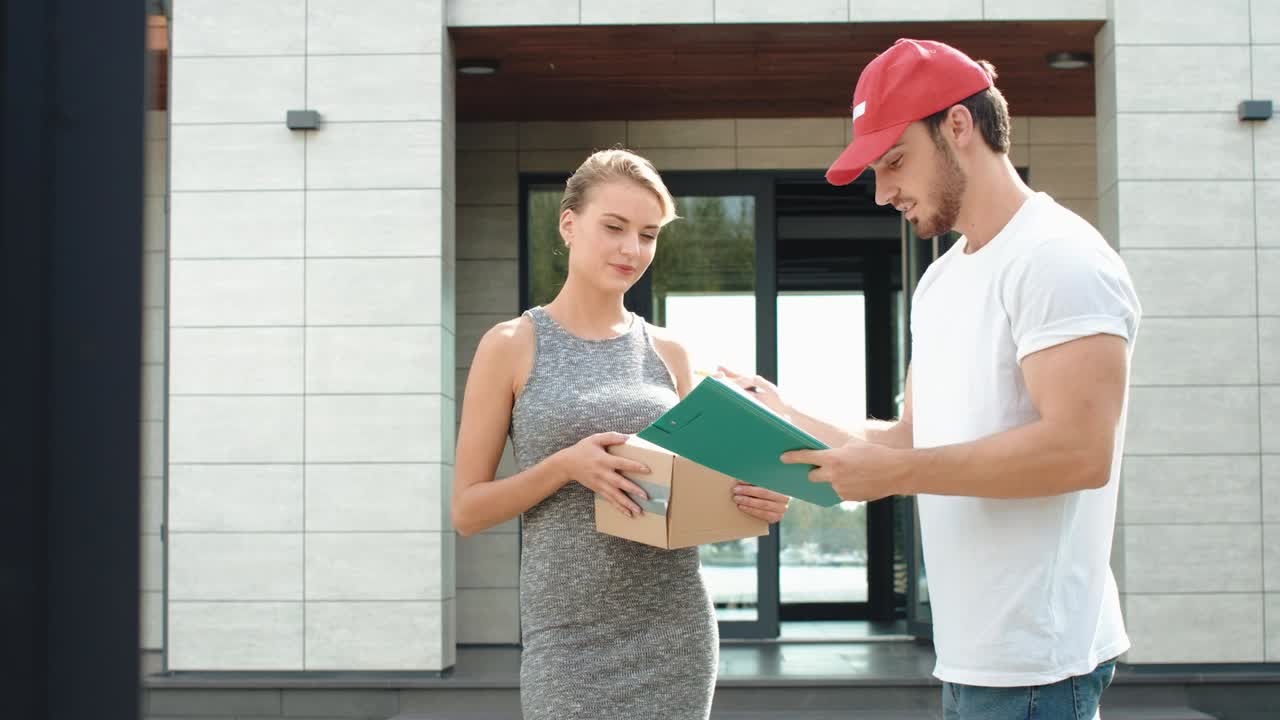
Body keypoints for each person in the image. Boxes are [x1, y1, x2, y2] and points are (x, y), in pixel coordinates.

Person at [720, 39, 1140, 719]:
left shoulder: (1058, 259)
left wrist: (892, 477)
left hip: (1039, 665)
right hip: (974, 654)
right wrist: (787, 416)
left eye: (893, 163)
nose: (883, 193)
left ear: (958, 126)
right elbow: (914, 437)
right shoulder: (941, 280)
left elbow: (1079, 452)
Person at [451, 149, 791, 720]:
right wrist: (564, 466)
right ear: (569, 224)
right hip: (567, 640)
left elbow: (697, 487)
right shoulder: (511, 344)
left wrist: (757, 497)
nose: (632, 249)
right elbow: (467, 511)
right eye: (614, 227)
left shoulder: (670, 353)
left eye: (648, 234)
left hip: (673, 628)